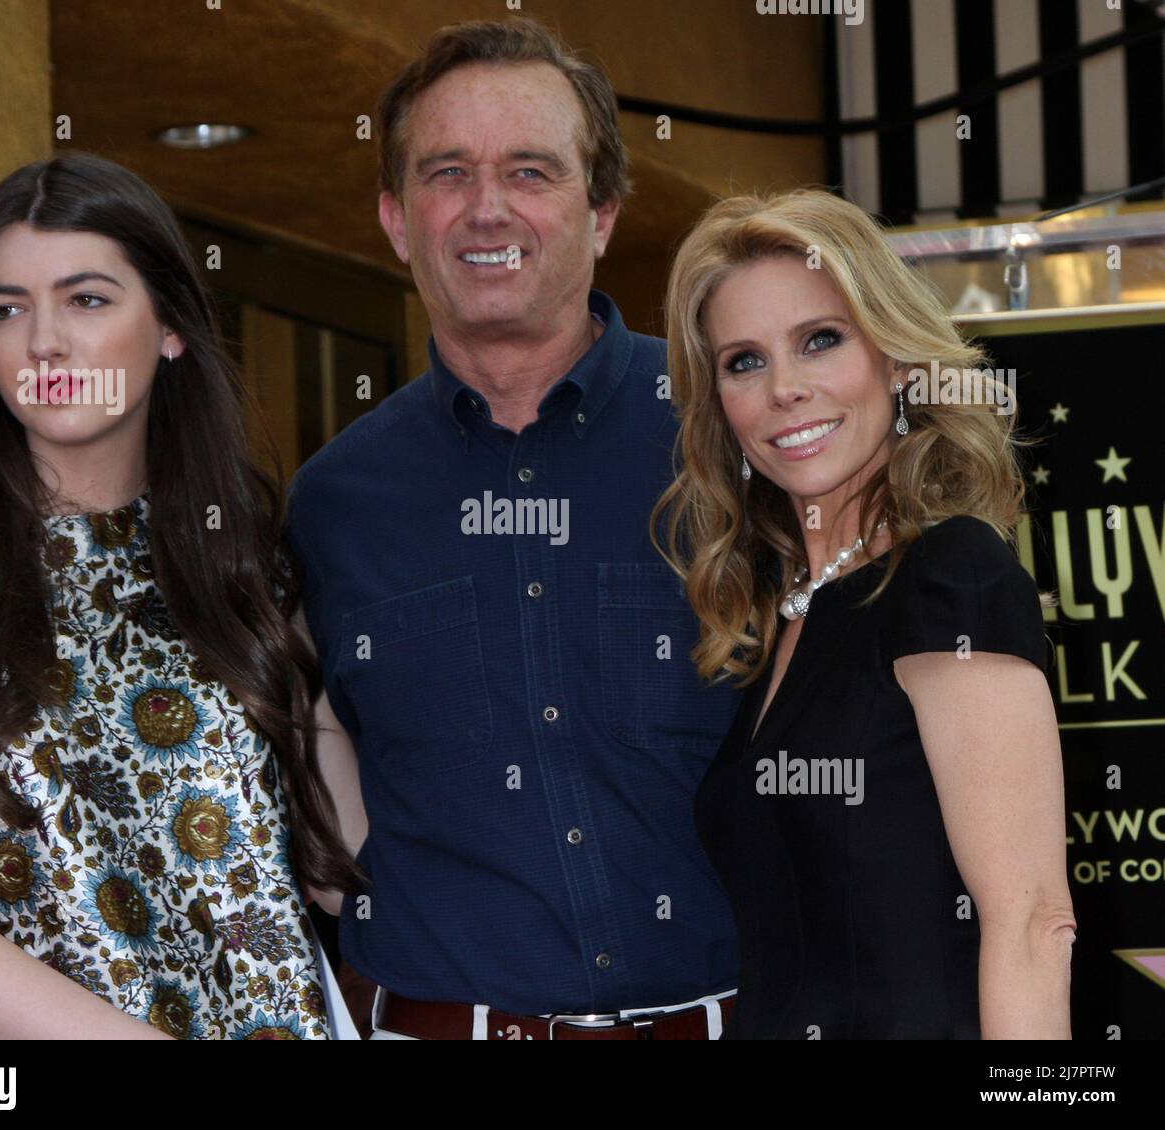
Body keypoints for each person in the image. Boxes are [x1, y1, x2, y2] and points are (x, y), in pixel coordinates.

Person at [288, 18, 741, 1040]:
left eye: (530, 171)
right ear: (397, 220)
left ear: (602, 212)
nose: (486, 206)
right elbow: (312, 793)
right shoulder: (331, 503)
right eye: (447, 173)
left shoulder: (728, 440)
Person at [0, 152, 358, 1039]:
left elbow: (340, 862)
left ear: (170, 327)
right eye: (6, 309)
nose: (44, 341)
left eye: (86, 299)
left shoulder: (243, 554)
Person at [657, 187, 1075, 1039]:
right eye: (744, 362)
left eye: (820, 340)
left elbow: (1033, 922)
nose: (784, 389)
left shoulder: (951, 576)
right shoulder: (785, 616)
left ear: (897, 360)